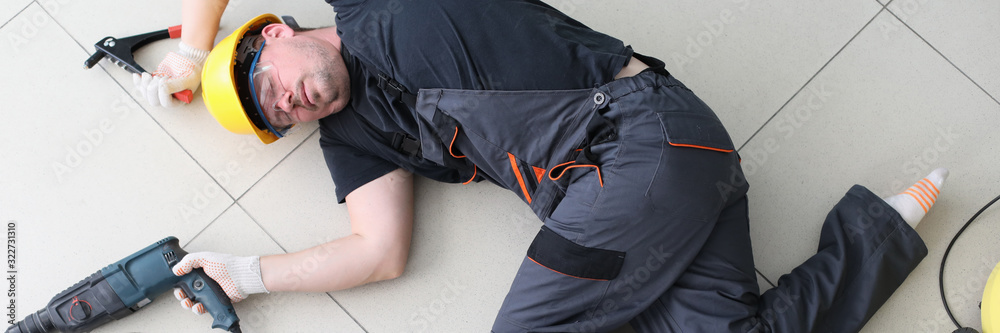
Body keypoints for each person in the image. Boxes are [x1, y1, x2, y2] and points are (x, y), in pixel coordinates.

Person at [136, 0, 948, 331]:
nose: (287, 103)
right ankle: (877, 231)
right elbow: (377, 251)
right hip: (645, 198)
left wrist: (194, 48)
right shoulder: (354, 141)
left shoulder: (374, 6)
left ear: (274, 32)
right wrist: (247, 271)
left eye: (266, 83)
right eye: (274, 116)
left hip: (641, 137)